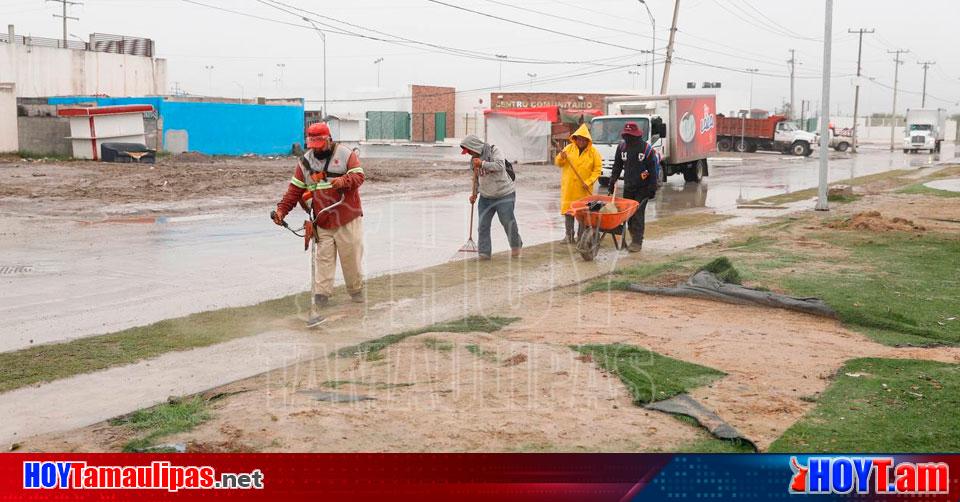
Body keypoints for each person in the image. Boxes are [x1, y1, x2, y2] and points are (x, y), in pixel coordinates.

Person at [273, 122, 365, 327]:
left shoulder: (346, 154)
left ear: (329, 139)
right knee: (323, 259)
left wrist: (344, 181)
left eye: (319, 144)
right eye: (312, 145)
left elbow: (359, 176)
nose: (316, 149)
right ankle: (321, 296)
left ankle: (356, 291)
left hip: (347, 216)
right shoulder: (304, 163)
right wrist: (281, 211)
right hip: (322, 219)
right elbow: (294, 191)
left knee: (350, 258)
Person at [459, 134, 523, 259]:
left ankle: (516, 245)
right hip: (485, 197)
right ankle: (484, 253)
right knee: (483, 225)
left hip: (504, 194)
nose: (469, 154)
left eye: (469, 151)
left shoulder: (494, 151)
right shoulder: (473, 160)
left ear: (475, 146)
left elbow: (500, 166)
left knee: (507, 221)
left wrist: (482, 163)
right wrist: (474, 194)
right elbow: (476, 178)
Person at [608, 121, 659, 253]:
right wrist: (612, 181)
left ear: (636, 135)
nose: (628, 138)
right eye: (626, 136)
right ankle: (632, 238)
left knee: (638, 215)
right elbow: (617, 166)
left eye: (630, 136)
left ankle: (637, 241)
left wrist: (652, 188)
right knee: (628, 215)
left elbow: (653, 170)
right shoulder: (622, 148)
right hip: (628, 186)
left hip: (643, 188)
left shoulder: (646, 149)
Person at [555, 123, 602, 244]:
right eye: (579, 139)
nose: (581, 141)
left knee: (583, 213)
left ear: (588, 140)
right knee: (569, 212)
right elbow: (558, 163)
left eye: (583, 139)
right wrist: (561, 157)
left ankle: (581, 237)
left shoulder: (593, 152)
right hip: (569, 187)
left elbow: (597, 170)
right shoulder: (568, 148)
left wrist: (589, 181)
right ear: (575, 139)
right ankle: (569, 236)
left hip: (583, 189)